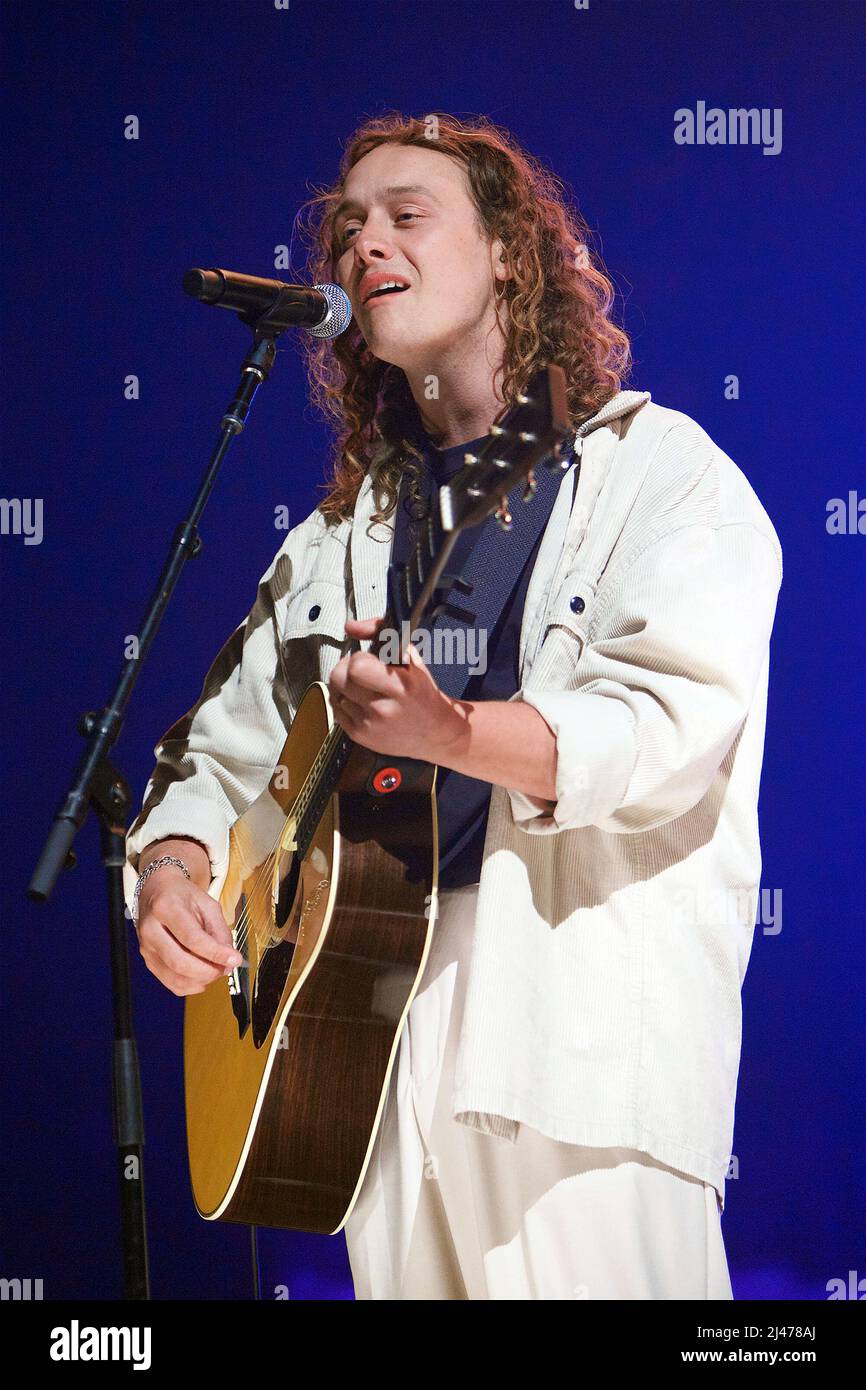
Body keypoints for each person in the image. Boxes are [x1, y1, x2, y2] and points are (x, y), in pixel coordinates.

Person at [124, 112, 783, 1300]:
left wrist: (457, 735)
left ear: (508, 258)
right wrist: (173, 872)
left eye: (406, 215)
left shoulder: (662, 475)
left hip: (574, 1047)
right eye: (347, 227)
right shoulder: (336, 542)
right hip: (357, 1044)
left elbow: (662, 731)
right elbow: (217, 761)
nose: (362, 243)